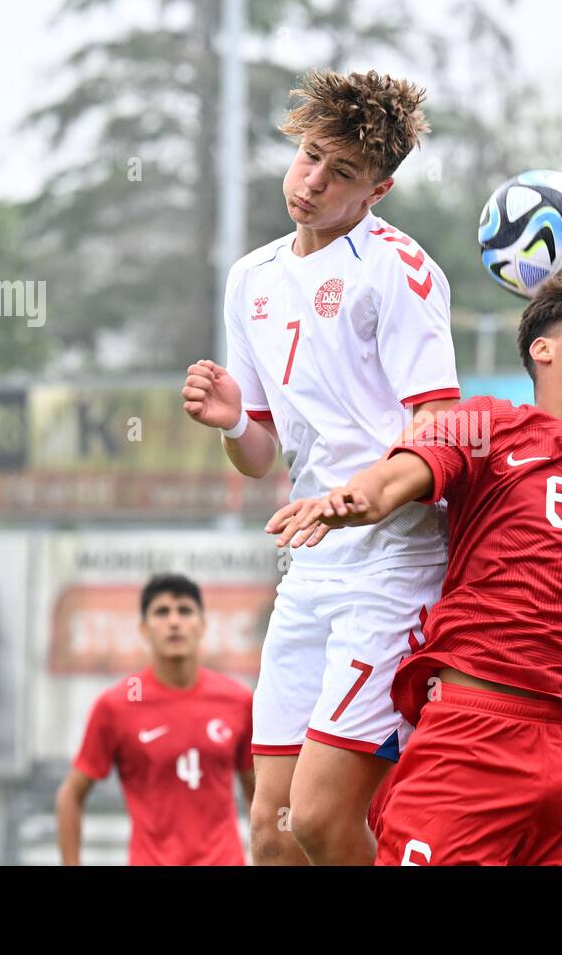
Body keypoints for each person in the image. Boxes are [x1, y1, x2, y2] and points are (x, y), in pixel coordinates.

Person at [271, 259, 562, 865]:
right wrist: (352, 499)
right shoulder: (486, 423)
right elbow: (393, 482)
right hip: (472, 736)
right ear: (542, 347)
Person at [181, 69, 460, 865]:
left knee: (322, 818)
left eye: (340, 173)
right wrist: (233, 417)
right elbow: (260, 456)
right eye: (308, 157)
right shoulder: (252, 280)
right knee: (270, 830)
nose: (312, 182)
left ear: (380, 187)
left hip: (393, 565)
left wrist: (363, 498)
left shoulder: (400, 271)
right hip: (309, 565)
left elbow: (438, 428)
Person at [55, 574, 256, 865]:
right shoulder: (116, 705)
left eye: (185, 611)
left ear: (202, 625)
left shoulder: (237, 700)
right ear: (143, 628)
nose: (174, 622)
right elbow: (70, 796)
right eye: (161, 612)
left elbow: (261, 796)